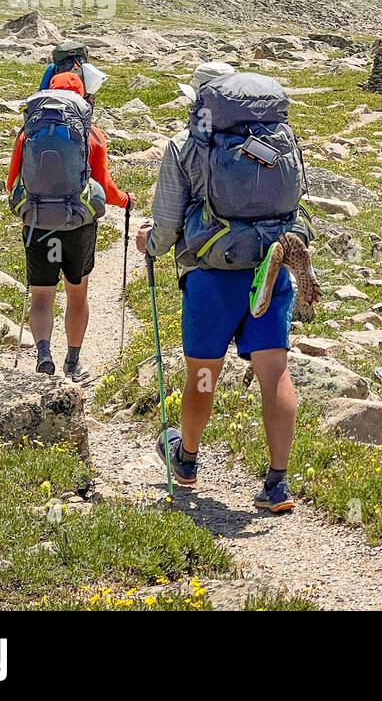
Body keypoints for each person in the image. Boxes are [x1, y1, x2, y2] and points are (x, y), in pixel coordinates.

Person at [135, 64, 321, 512]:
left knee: (203, 373)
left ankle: (187, 459)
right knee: (273, 371)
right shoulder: (277, 139)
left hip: (211, 276)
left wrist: (149, 243)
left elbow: (166, 225)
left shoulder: (185, 147)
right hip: (269, 270)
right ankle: (277, 483)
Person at [7, 72, 134, 381]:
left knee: (41, 296)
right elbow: (103, 183)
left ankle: (43, 354)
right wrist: (125, 201)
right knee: (77, 295)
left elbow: (12, 182)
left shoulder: (27, 133)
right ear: (84, 99)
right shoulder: (92, 135)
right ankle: (73, 362)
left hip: (38, 222)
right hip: (78, 224)